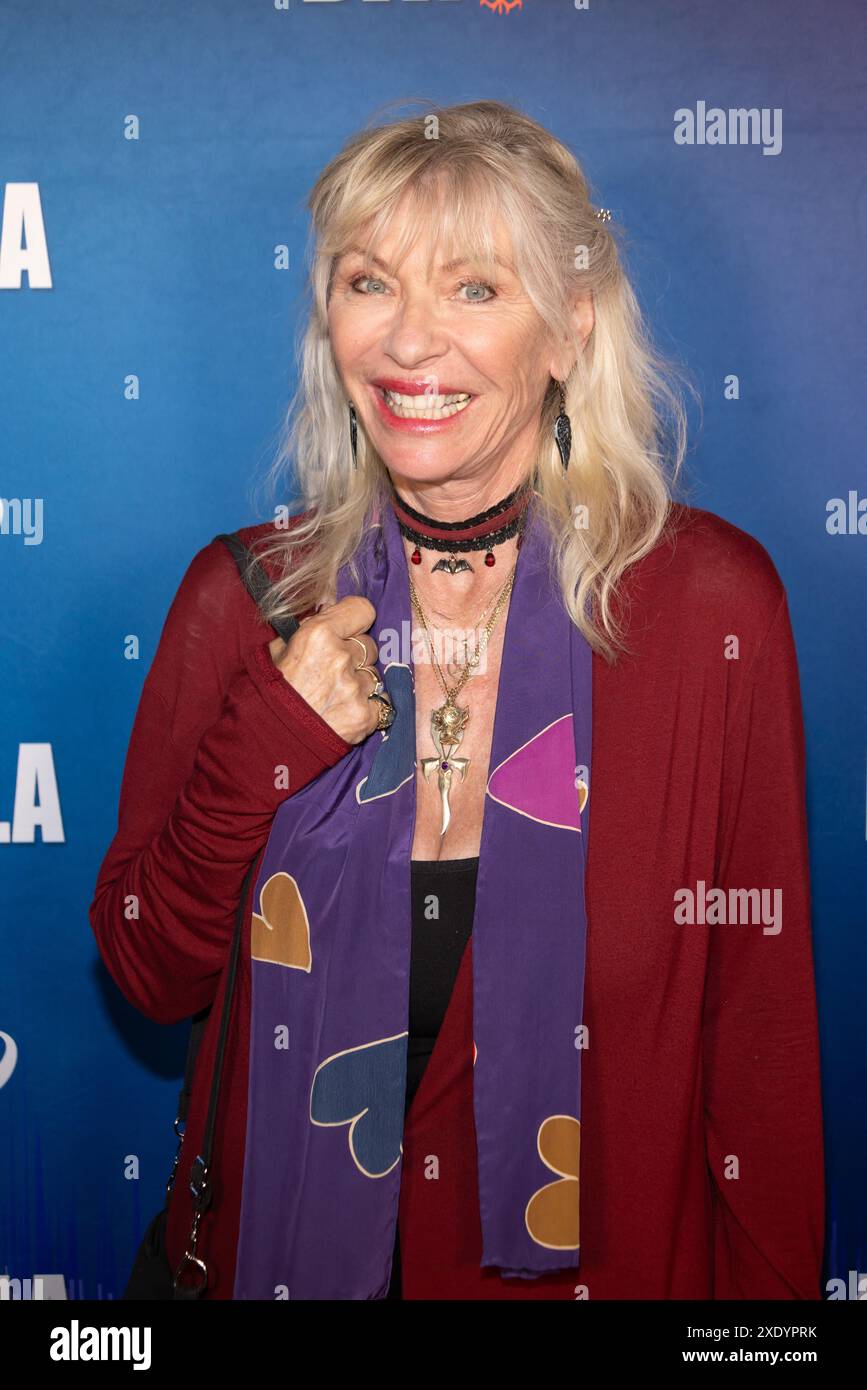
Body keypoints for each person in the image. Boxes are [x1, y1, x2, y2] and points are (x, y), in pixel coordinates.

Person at [90, 99, 824, 1300]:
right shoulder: (246, 598)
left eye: (474, 288)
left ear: (569, 328)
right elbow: (146, 969)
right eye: (369, 283)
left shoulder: (709, 610)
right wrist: (268, 736)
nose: (408, 341)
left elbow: (760, 1042)